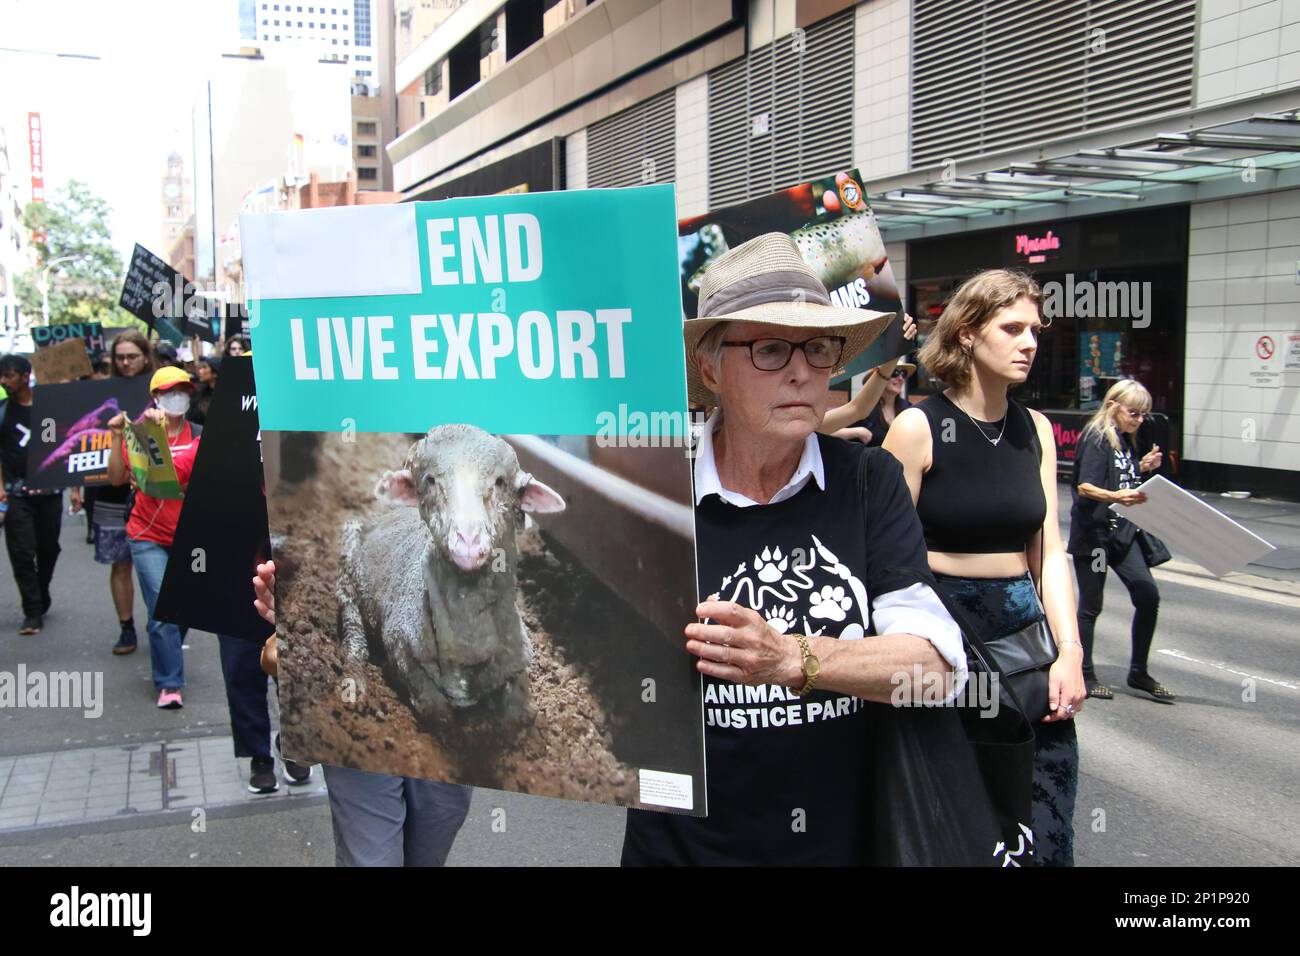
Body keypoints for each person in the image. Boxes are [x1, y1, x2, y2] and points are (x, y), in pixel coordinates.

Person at [622, 233, 969, 865]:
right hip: (675, 851)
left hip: (834, 847)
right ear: (710, 368)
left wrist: (792, 658)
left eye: (817, 347)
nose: (803, 371)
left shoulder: (867, 481)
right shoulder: (652, 487)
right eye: (771, 348)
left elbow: (936, 669)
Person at [883, 268, 1088, 866]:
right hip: (945, 634)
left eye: (1036, 330)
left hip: (1026, 639)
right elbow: (886, 559)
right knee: (958, 823)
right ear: (968, 334)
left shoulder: (1038, 431)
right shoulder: (917, 427)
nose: (1030, 342)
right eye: (1013, 328)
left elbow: (1048, 549)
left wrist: (1069, 651)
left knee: (1043, 814)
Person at [252, 563, 471, 865]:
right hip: (358, 714)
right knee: (373, 858)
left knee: (433, 839)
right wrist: (300, 616)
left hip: (445, 713)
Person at [1069, 379, 1173, 703]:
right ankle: (1084, 673)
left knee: (1147, 595)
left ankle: (1138, 672)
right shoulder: (1097, 437)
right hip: (1095, 537)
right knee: (1091, 606)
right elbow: (1085, 486)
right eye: (1134, 413)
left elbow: (1119, 475)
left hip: (1123, 535)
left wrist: (1140, 468)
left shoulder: (1125, 439)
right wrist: (1116, 495)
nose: (1139, 420)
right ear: (1113, 407)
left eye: (1143, 415)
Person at [105, 367, 202, 708]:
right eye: (169, 391)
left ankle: (165, 640)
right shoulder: (138, 435)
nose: (178, 397)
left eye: (183, 391)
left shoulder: (200, 436)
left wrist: (155, 445)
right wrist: (119, 437)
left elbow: (175, 479)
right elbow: (117, 478)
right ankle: (170, 684)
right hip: (146, 534)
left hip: (191, 538)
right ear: (155, 397)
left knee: (186, 609)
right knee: (163, 607)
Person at [70, 329, 155, 654]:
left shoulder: (159, 391)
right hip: (109, 491)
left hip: (152, 491)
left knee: (153, 564)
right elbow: (79, 444)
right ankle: (126, 627)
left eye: (132, 356)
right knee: (120, 564)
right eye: (120, 357)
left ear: (145, 356)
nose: (125, 362)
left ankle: (160, 622)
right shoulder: (99, 394)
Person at [0, 354, 63, 634]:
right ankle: (32, 610)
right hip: (16, 493)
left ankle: (41, 589)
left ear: (25, 376)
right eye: (2, 376)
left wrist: (72, 488)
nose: (4, 381)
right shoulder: (2, 411)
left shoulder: (49, 408)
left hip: (49, 490)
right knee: (21, 552)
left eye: (9, 375)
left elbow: (66, 447)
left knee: (48, 547)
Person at [189, 355, 221, 426]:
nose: (200, 371)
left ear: (215, 373)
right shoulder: (197, 393)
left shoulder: (226, 395)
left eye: (205, 367)